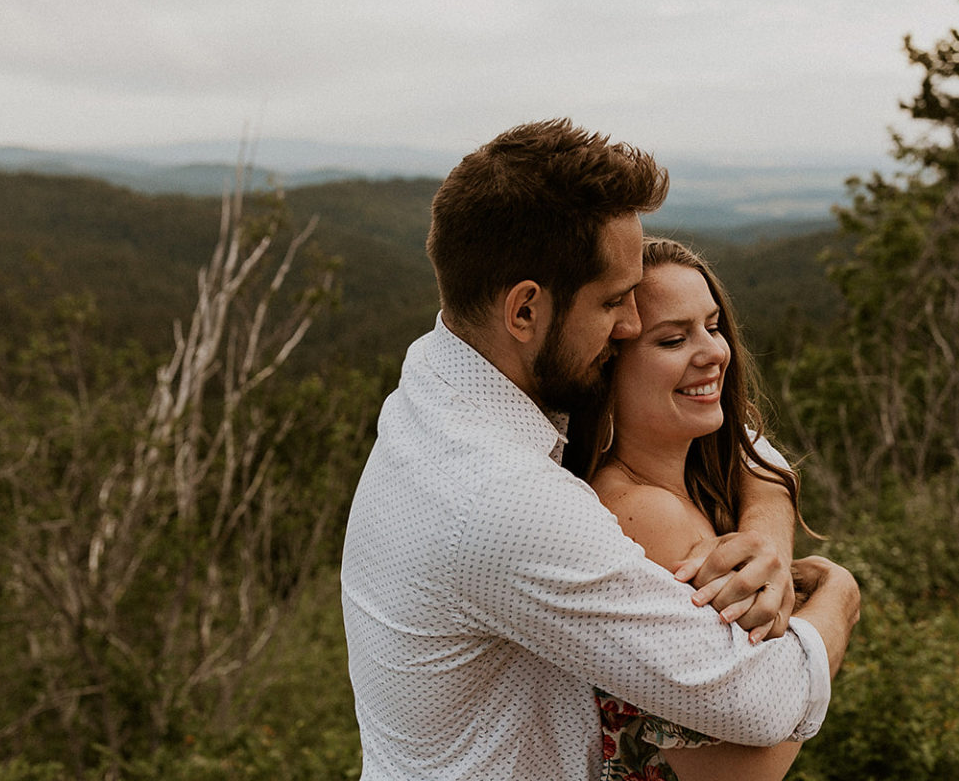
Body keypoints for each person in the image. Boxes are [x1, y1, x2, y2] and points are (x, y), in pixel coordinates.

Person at [340, 119, 861, 781]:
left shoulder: (455, 374)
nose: (630, 325)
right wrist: (839, 594)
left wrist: (766, 539)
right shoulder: (503, 499)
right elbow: (763, 702)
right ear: (524, 311)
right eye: (615, 302)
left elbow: (743, 439)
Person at [566, 236, 829, 781]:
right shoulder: (644, 515)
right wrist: (839, 602)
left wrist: (768, 527)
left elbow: (757, 454)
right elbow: (737, 773)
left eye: (712, 325)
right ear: (607, 366)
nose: (714, 352)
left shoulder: (692, 469)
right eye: (672, 340)